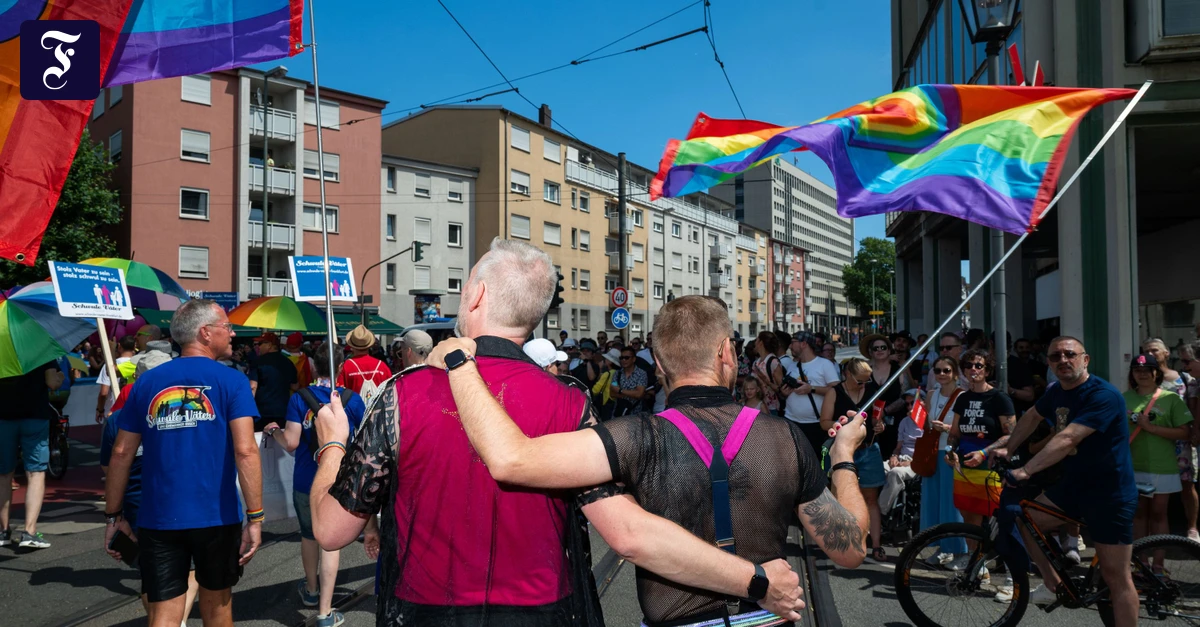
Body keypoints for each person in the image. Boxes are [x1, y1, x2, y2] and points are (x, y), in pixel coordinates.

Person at [306, 241, 816, 626]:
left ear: (477, 295)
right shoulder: (569, 399)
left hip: (424, 608)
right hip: (544, 608)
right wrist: (754, 580)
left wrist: (332, 443)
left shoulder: (403, 394)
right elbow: (627, 531)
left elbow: (331, 531)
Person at [420, 294, 872, 626]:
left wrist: (460, 363)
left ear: (658, 362)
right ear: (727, 353)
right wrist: (843, 458)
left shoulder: (633, 436)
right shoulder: (785, 438)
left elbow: (510, 459)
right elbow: (850, 548)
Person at [104, 299, 264, 626]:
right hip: (216, 515)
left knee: (164, 611)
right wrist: (256, 517)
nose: (233, 333)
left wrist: (113, 516)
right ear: (205, 333)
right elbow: (246, 451)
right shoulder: (233, 381)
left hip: (158, 515)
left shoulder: (146, 382)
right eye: (227, 326)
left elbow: (120, 453)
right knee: (217, 605)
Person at [992, 337, 1138, 622]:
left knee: (1116, 577)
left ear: (1085, 359)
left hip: (1109, 493)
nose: (1063, 360)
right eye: (1055, 356)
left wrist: (1026, 470)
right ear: (1048, 363)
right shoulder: (1057, 392)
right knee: (1025, 518)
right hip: (1074, 485)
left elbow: (1068, 437)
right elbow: (1032, 417)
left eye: (1070, 354)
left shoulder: (1103, 395)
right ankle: (1055, 586)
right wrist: (1008, 449)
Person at [264, 343, 365, 627]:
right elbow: (362, 441)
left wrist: (274, 430)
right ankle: (325, 612)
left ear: (313, 366)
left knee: (309, 536)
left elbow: (291, 442)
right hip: (338, 480)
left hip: (305, 481)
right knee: (330, 543)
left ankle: (310, 590)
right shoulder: (352, 400)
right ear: (341, 367)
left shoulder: (300, 399)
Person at [101, 346, 199, 620]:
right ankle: (177, 621)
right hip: (184, 499)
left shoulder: (117, 420)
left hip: (138, 504)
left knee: (151, 572)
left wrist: (113, 515)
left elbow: (109, 468)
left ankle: (169, 622)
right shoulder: (190, 413)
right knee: (190, 567)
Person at [944, 349, 1015, 575]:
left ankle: (1010, 573)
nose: (973, 370)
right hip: (964, 467)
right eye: (968, 366)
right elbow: (954, 433)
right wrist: (950, 451)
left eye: (979, 365)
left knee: (998, 519)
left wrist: (984, 453)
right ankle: (978, 566)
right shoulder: (962, 398)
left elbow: (1011, 434)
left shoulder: (999, 398)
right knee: (969, 518)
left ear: (987, 370)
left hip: (991, 467)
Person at [819, 357, 887, 563]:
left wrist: (879, 425)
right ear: (847, 374)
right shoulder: (834, 392)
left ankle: (876, 544)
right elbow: (824, 422)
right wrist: (844, 425)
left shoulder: (872, 390)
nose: (864, 385)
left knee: (871, 499)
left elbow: (877, 418)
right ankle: (839, 544)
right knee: (838, 497)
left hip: (868, 450)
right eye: (860, 381)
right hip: (844, 450)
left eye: (867, 381)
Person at [1124, 354, 1193, 550]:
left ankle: (1158, 563)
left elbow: (1185, 433)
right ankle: (1141, 561)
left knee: (1158, 514)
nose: (1142, 374)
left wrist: (1151, 428)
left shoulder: (1171, 398)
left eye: (1147, 370)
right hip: (1133, 465)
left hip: (1162, 466)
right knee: (1138, 514)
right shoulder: (1123, 398)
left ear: (1157, 373)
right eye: (1137, 370)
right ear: (1132, 374)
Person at [0, 360, 64, 549]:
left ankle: (3, 531)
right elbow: (52, 383)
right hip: (35, 416)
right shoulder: (41, 349)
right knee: (35, 473)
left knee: (4, 475)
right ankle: (29, 532)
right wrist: (60, 376)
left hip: (3, 416)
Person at [1143, 337, 1198, 541]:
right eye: (1146, 351)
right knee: (1152, 487)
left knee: (1187, 484)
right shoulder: (1144, 378)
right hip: (1153, 439)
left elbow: (1193, 407)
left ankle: (1192, 528)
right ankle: (1154, 529)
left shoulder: (1184, 378)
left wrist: (1194, 431)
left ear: (1166, 353)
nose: (1150, 354)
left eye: (1154, 350)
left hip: (1181, 440)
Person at [919, 356, 967, 566]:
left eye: (946, 370)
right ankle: (942, 548)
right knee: (934, 503)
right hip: (933, 454)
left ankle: (961, 552)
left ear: (955, 373)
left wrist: (947, 428)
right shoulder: (932, 394)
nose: (941, 374)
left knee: (952, 505)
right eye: (937, 370)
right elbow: (926, 425)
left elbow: (967, 429)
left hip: (952, 454)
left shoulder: (963, 396)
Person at [782, 331, 842, 453]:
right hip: (790, 420)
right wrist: (785, 393)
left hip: (814, 424)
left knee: (815, 460)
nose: (790, 346)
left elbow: (838, 391)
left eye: (793, 342)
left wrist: (812, 389)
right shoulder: (793, 365)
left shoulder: (824, 364)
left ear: (804, 344)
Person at [861, 334, 912, 460]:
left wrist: (884, 412)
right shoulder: (864, 371)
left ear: (889, 351)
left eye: (883, 347)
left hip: (896, 423)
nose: (879, 350)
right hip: (869, 423)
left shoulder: (899, 370)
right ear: (871, 352)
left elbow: (905, 396)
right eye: (875, 348)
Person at [880, 389, 924, 517]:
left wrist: (911, 462)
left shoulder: (927, 423)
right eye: (907, 404)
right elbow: (898, 447)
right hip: (902, 457)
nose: (909, 407)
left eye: (913, 403)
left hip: (918, 462)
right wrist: (894, 456)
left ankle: (880, 512)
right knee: (878, 469)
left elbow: (929, 452)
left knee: (895, 473)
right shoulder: (904, 421)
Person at [249, 332, 299, 432]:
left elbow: (252, 387)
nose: (258, 347)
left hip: (262, 413)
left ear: (269, 345)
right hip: (283, 411)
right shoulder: (288, 362)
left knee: (262, 440)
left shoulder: (258, 362)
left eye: (260, 344)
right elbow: (295, 386)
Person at [335, 325, 392, 401]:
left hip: (353, 407)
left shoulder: (346, 366)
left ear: (352, 346)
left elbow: (339, 392)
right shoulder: (382, 366)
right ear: (369, 345)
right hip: (378, 408)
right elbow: (390, 392)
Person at [96, 335, 137, 422]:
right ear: (134, 347)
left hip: (112, 412)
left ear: (119, 346)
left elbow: (104, 393)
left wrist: (100, 410)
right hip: (132, 410)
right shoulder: (138, 364)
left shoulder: (108, 367)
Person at [751, 332, 785, 417]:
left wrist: (766, 381)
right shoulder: (756, 362)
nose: (754, 342)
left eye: (756, 340)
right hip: (756, 405)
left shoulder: (773, 362)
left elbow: (782, 389)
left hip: (771, 409)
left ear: (761, 342)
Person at [609, 346, 648, 418]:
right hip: (619, 414)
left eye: (626, 358)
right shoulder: (617, 374)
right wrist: (632, 394)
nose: (623, 360)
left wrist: (620, 391)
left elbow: (639, 394)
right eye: (621, 358)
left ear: (634, 359)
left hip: (635, 416)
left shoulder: (641, 374)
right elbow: (612, 393)